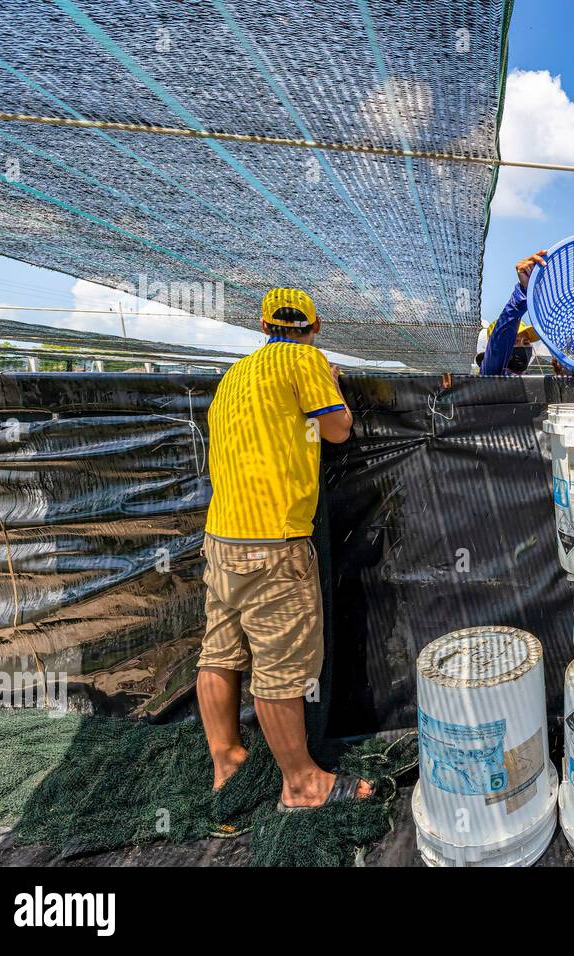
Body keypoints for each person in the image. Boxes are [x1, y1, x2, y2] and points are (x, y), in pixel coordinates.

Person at [198, 287, 373, 810]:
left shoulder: (234, 376)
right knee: (281, 667)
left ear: (263, 326)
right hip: (272, 542)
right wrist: (331, 388)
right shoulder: (305, 358)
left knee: (220, 650)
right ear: (313, 327)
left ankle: (226, 757)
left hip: (221, 537)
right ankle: (301, 784)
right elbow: (339, 429)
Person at [478, 251, 547, 375]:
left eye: (526, 342)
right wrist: (524, 290)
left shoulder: (531, 380)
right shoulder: (492, 373)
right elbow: (503, 334)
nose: (522, 347)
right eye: (514, 342)